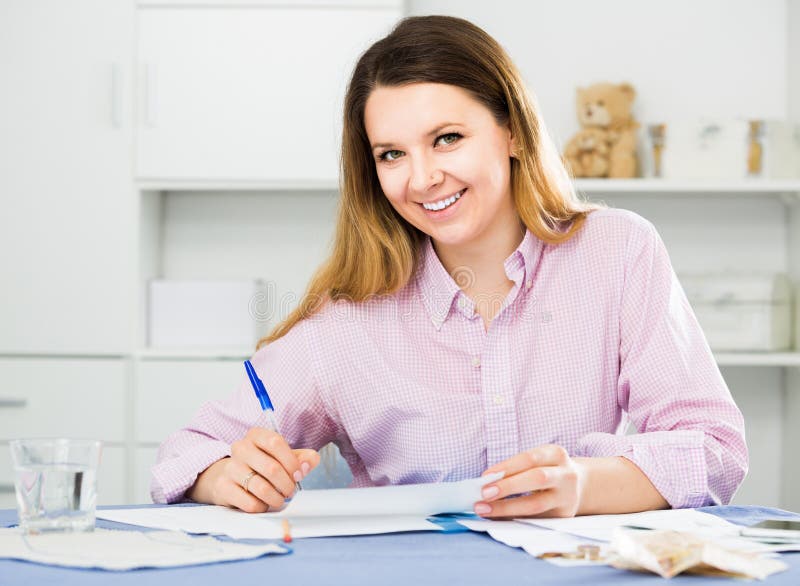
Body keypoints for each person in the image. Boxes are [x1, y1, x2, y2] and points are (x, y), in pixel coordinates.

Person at [151, 15, 747, 518]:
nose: (421, 178)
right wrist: (224, 475)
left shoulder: (618, 252)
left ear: (511, 131)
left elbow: (715, 450)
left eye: (447, 138)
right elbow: (187, 452)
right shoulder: (346, 319)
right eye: (391, 154)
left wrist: (584, 486)